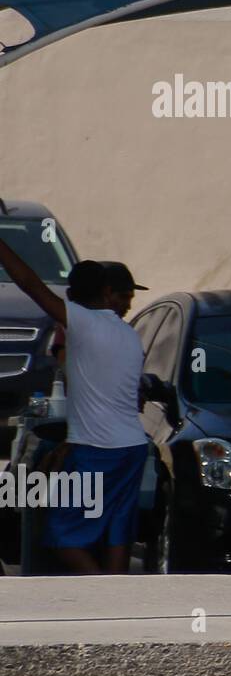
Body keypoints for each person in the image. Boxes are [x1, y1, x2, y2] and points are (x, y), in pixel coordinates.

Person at [0, 243, 150, 575]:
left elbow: (30, 284)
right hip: (133, 447)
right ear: (108, 292)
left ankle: (99, 590)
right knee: (116, 529)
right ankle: (118, 601)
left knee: (62, 534)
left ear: (71, 295)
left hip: (98, 450)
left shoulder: (81, 322)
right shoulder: (128, 334)